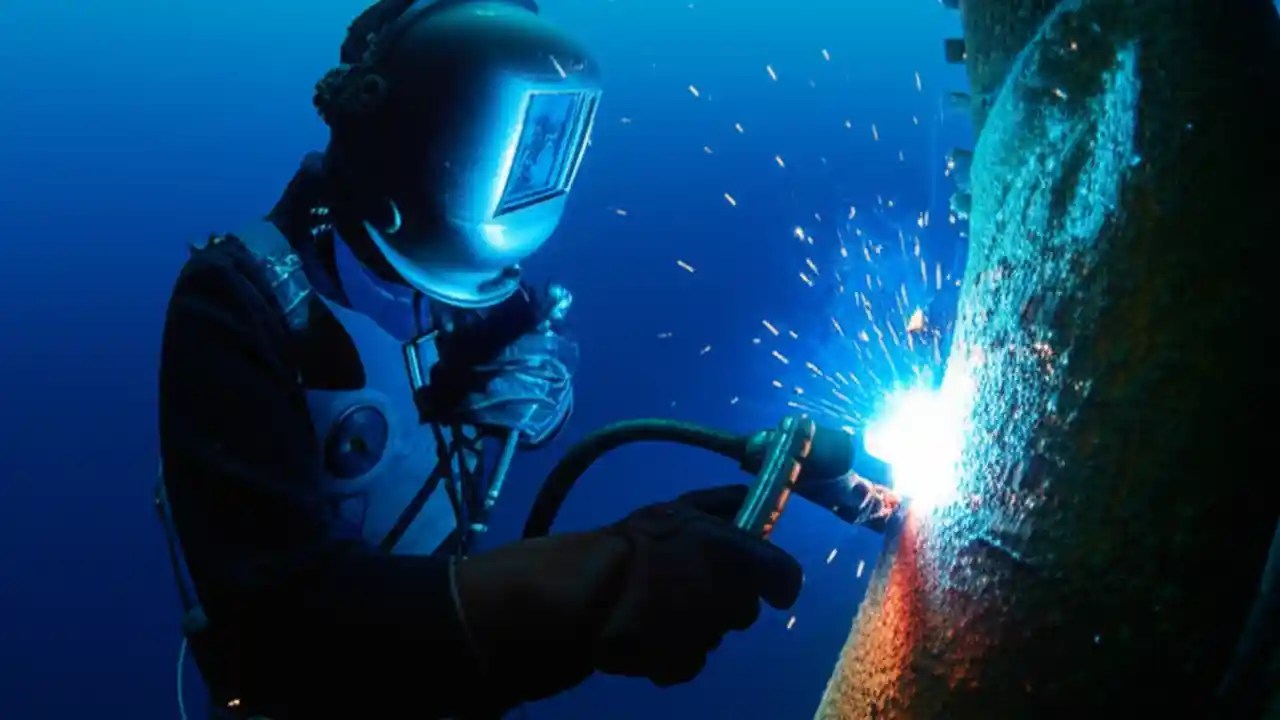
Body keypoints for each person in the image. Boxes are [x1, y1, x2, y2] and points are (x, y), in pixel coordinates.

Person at [155, 1, 804, 718]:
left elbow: (460, 429)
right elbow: (282, 626)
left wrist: (532, 404)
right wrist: (590, 581)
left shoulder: (467, 288)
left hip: (442, 675)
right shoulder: (236, 298)